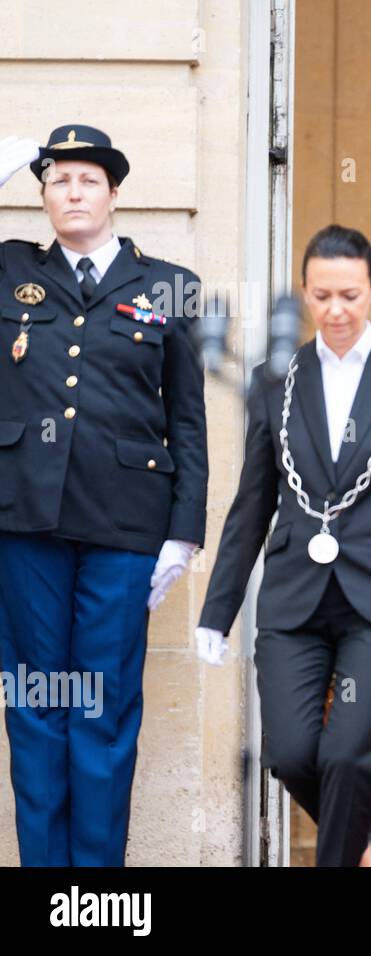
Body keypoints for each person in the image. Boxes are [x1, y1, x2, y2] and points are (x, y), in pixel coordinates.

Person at [194, 224, 371, 867]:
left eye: (349, 294)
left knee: (348, 755)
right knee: (291, 753)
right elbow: (251, 506)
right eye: (321, 296)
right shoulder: (272, 382)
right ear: (306, 293)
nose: (336, 310)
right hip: (294, 601)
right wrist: (217, 611)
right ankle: (362, 842)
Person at [0, 127, 208, 866]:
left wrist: (183, 533)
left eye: (88, 180)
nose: (73, 192)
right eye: (57, 181)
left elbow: (187, 416)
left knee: (103, 710)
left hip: (126, 529)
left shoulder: (170, 285)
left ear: (114, 193)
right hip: (26, 521)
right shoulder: (8, 270)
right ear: (43, 195)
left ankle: (92, 891)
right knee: (36, 706)